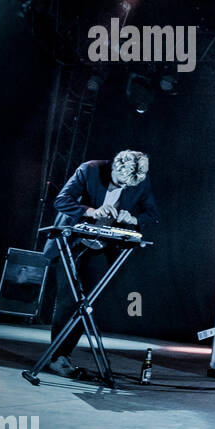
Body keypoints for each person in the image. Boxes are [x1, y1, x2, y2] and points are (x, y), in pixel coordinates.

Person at [44, 150, 158, 377]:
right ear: (114, 167)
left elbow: (151, 215)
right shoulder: (90, 170)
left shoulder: (138, 181)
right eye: (119, 182)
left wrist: (133, 219)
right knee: (68, 300)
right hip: (72, 241)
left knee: (85, 302)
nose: (123, 187)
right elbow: (61, 201)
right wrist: (92, 211)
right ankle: (57, 357)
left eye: (128, 185)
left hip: (101, 247)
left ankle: (62, 355)